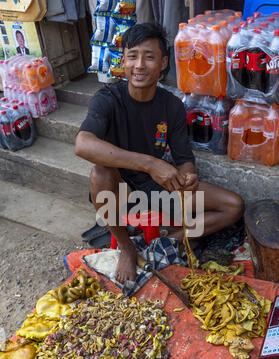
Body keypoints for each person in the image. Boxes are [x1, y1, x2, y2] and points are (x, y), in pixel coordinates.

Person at [75, 23, 244, 284]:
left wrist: (188, 177)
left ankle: (167, 242)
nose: (139, 65)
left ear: (164, 62)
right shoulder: (107, 98)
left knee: (233, 206)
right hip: (118, 189)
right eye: (132, 56)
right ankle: (127, 248)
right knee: (100, 172)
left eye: (149, 56)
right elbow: (83, 144)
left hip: (154, 187)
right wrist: (150, 163)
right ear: (124, 60)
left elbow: (184, 158)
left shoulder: (172, 105)